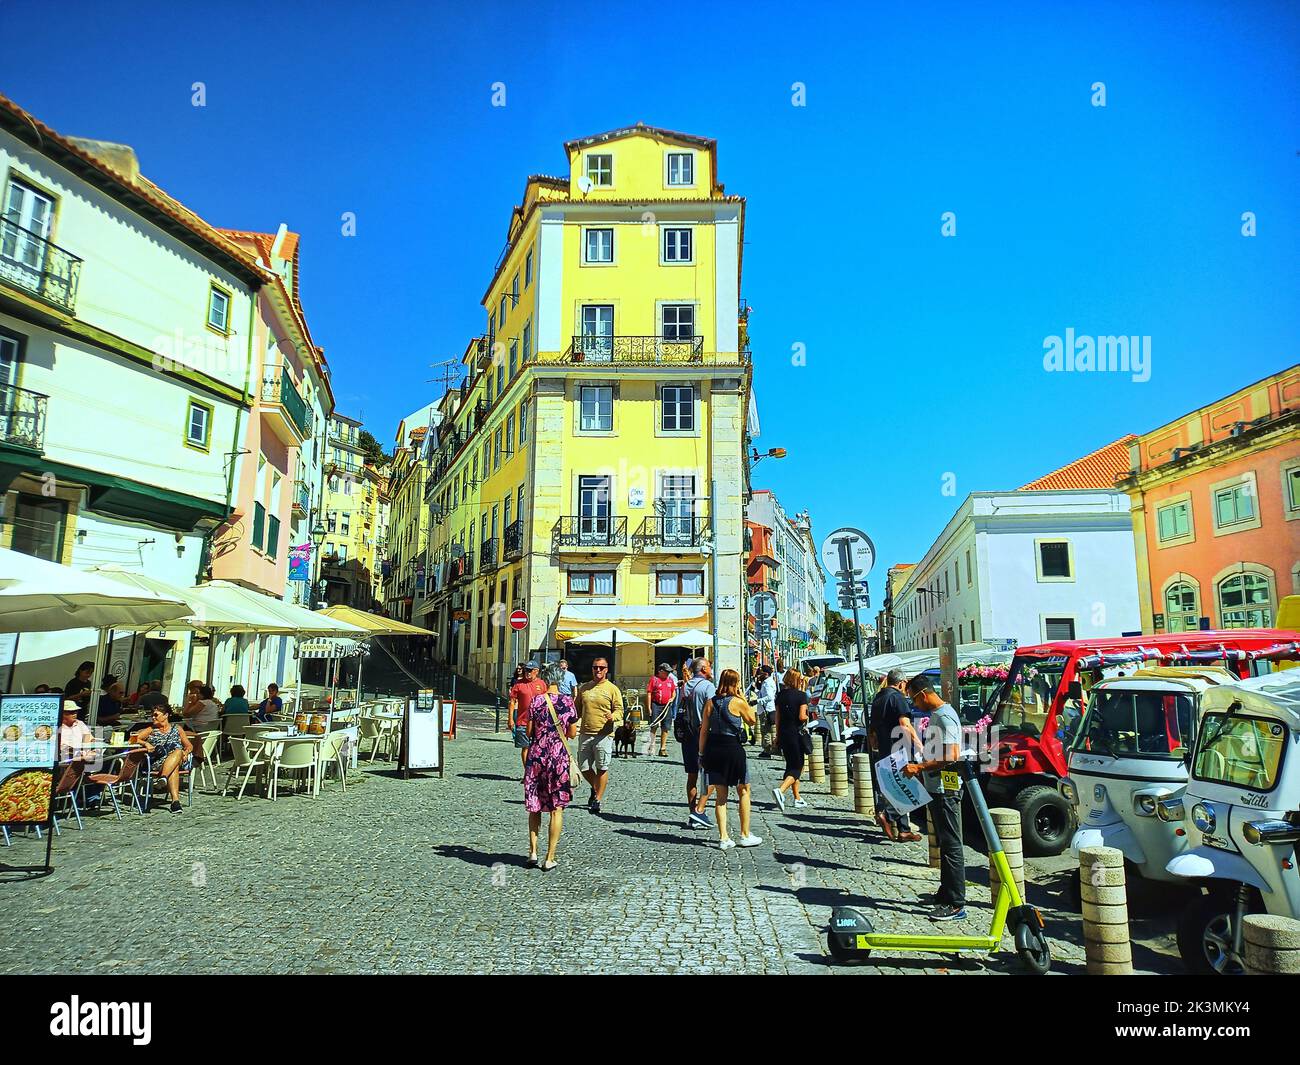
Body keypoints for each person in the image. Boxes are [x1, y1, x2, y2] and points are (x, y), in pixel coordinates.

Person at [903, 675, 967, 921]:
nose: (914, 705)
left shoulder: (945, 716)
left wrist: (919, 769)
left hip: (946, 789)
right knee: (944, 842)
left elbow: (951, 755)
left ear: (922, 694)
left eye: (913, 699)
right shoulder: (939, 716)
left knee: (951, 845)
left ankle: (956, 903)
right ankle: (946, 891)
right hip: (937, 786)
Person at [524, 661, 580, 870]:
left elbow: (529, 732)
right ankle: (549, 857)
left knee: (535, 806)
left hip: (537, 756)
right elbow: (572, 734)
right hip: (558, 759)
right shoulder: (568, 702)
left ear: (546, 679)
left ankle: (532, 852)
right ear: (560, 678)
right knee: (557, 808)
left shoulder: (537, 701)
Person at [697, 668, 762, 850]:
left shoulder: (711, 702)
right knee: (743, 790)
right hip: (732, 749)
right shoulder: (738, 702)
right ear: (736, 683)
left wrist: (701, 754)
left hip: (713, 749)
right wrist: (742, 698)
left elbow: (703, 731)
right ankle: (744, 834)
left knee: (720, 795)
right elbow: (751, 720)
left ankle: (724, 837)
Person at [870, 669, 923, 843]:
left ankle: (904, 830)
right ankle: (887, 814)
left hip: (884, 748)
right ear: (901, 683)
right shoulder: (898, 698)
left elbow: (872, 727)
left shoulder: (878, 698)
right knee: (908, 788)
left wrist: (874, 743)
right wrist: (919, 745)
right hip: (899, 748)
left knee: (896, 788)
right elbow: (905, 725)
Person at [574, 657, 622, 815]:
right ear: (592, 669)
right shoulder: (585, 688)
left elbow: (620, 710)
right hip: (585, 733)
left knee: (602, 767)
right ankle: (596, 788)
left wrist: (612, 716)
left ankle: (597, 799)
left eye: (602, 667)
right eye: (596, 667)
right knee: (584, 767)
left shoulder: (612, 689)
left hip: (604, 734)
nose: (598, 670)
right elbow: (576, 710)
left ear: (607, 670)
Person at [130, 704, 194, 812]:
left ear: (166, 715)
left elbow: (189, 746)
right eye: (152, 715)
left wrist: (186, 752)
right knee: (174, 766)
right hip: (158, 762)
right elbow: (134, 739)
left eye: (156, 715)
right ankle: (175, 802)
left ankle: (163, 778)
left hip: (177, 759)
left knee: (178, 752)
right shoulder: (151, 729)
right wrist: (146, 744)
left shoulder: (177, 728)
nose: (153, 717)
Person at [679, 658, 715, 829]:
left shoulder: (685, 686)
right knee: (711, 775)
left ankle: (692, 812)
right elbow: (712, 711)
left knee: (692, 776)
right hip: (704, 735)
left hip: (688, 735)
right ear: (702, 669)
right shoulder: (708, 687)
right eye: (709, 666)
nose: (710, 669)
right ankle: (699, 811)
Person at [772, 669, 811, 811]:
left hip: (783, 733)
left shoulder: (780, 696)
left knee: (790, 764)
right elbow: (802, 716)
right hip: (796, 734)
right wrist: (809, 715)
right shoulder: (801, 696)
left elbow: (777, 718)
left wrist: (777, 736)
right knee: (797, 767)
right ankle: (781, 791)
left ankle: (797, 798)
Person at [510, 662, 547, 772]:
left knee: (539, 748)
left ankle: (538, 772)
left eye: (530, 670)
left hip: (539, 722)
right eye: (526, 670)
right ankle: (528, 773)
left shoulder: (542, 684)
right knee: (525, 747)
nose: (527, 673)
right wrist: (511, 719)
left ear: (536, 671)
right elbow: (512, 702)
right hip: (523, 721)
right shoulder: (518, 684)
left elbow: (547, 701)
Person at [646, 662, 678, 758]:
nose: (668, 674)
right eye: (666, 671)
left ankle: (662, 748)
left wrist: (672, 698)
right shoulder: (654, 679)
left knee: (666, 727)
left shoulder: (670, 681)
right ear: (660, 671)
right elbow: (649, 693)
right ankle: (652, 746)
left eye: (669, 672)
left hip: (666, 706)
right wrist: (649, 707)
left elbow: (674, 692)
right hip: (656, 704)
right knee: (654, 726)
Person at [755, 666, 777, 755]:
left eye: (761, 673)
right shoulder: (766, 682)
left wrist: (756, 701)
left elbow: (769, 697)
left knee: (765, 730)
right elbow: (763, 694)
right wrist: (755, 690)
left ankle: (767, 750)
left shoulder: (768, 683)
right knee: (767, 730)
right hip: (766, 709)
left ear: (766, 674)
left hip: (766, 710)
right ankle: (770, 748)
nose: (759, 675)